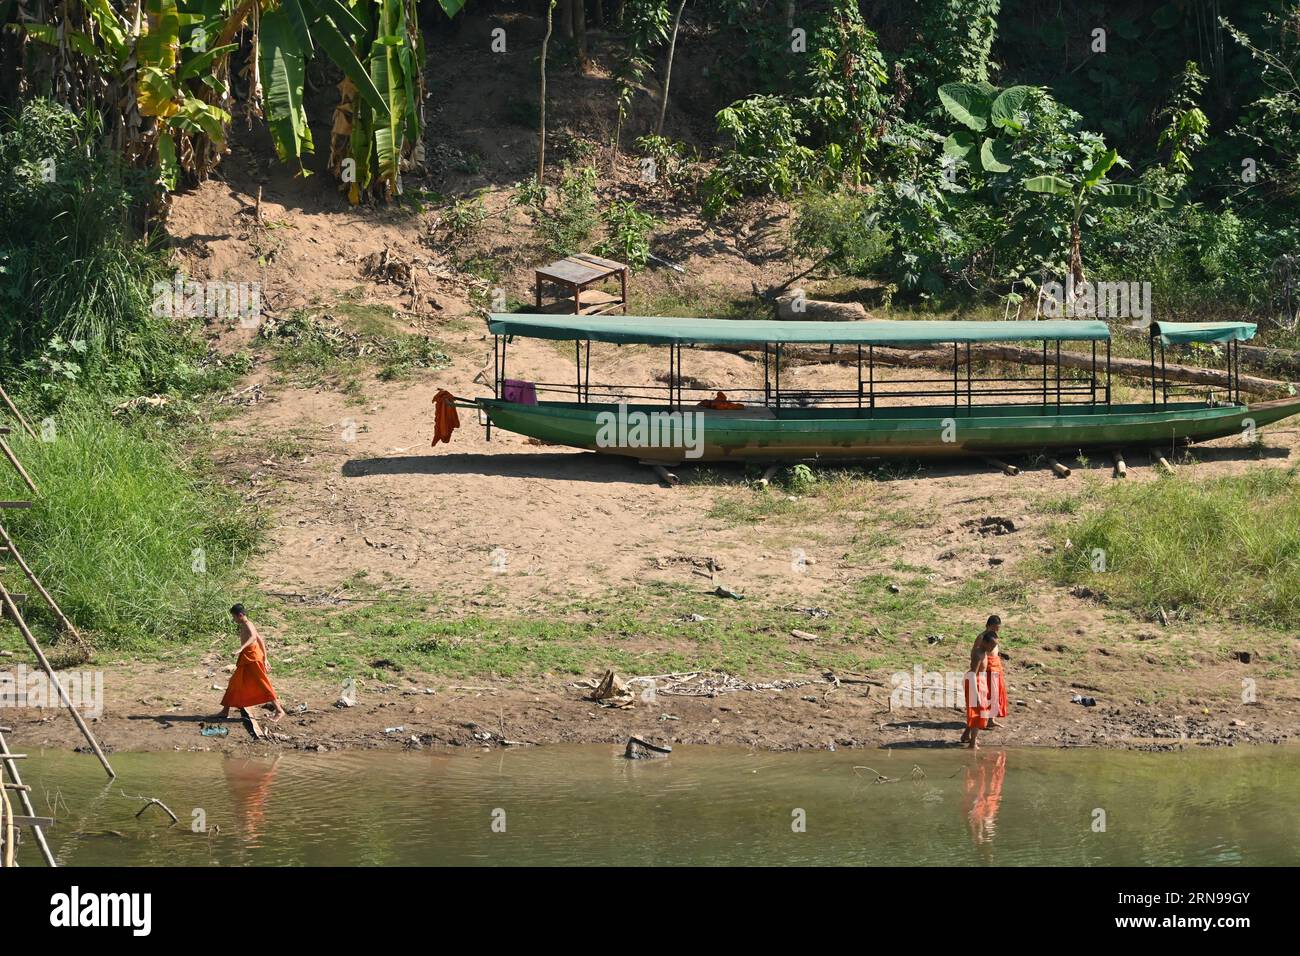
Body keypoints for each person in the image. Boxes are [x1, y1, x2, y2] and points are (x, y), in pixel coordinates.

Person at [218, 604, 286, 722]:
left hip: (253, 658)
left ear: (240, 615)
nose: (234, 620)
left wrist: (241, 648)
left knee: (263, 683)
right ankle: (225, 711)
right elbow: (260, 639)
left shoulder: (248, 624)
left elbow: (254, 637)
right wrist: (265, 658)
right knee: (234, 682)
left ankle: (279, 711)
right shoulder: (246, 624)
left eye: (234, 617)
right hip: (248, 658)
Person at [960, 615, 1008, 748]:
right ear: (985, 643)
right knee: (979, 711)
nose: (993, 648)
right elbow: (972, 674)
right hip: (975, 682)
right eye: (992, 645)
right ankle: (973, 743)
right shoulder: (978, 653)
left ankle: (966, 735)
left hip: (980, 682)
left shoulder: (985, 651)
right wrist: (976, 694)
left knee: (980, 711)